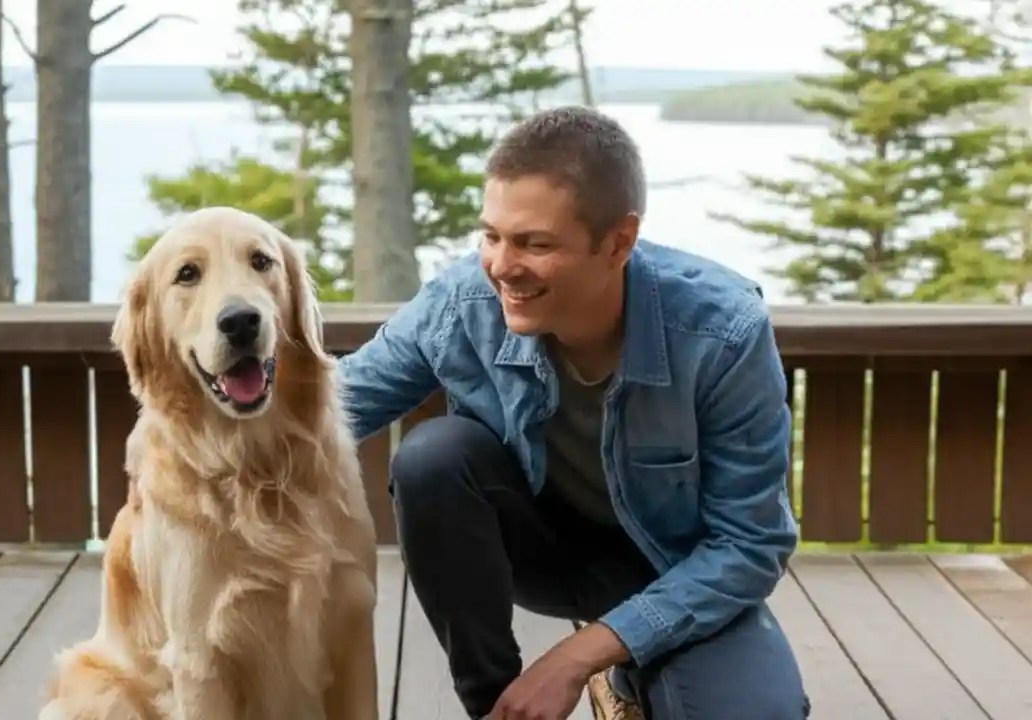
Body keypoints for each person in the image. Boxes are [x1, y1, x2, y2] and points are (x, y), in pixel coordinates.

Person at [335, 105, 809, 720]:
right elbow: (325, 412)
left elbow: (751, 544)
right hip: (536, 550)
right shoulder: (460, 304)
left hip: (670, 569)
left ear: (618, 242)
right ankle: (499, 708)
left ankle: (625, 673)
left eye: (534, 243)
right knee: (433, 458)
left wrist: (574, 657)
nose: (502, 266)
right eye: (491, 235)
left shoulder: (722, 333)